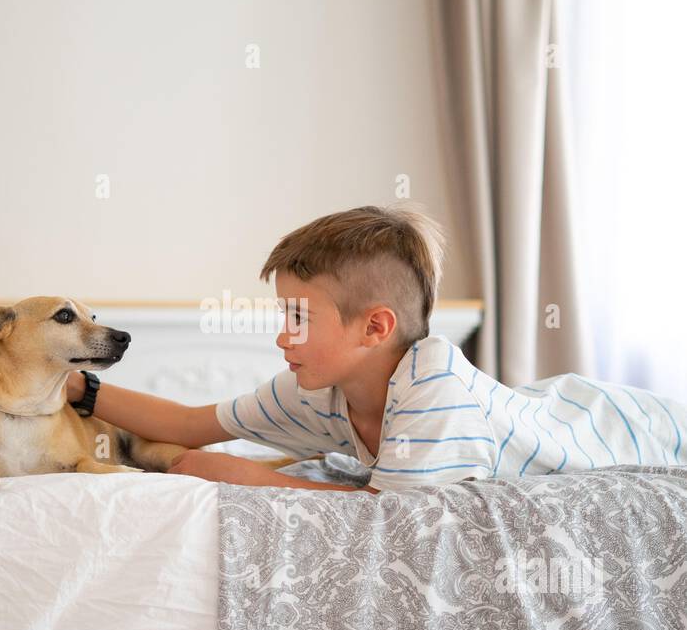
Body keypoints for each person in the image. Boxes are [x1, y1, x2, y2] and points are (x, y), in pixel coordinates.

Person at [66, 204, 686, 494]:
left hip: (615, 426)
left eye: (298, 317)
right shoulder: (313, 391)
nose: (282, 336)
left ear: (375, 327)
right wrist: (78, 387)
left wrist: (249, 477)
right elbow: (189, 424)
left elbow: (386, 517)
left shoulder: (434, 383)